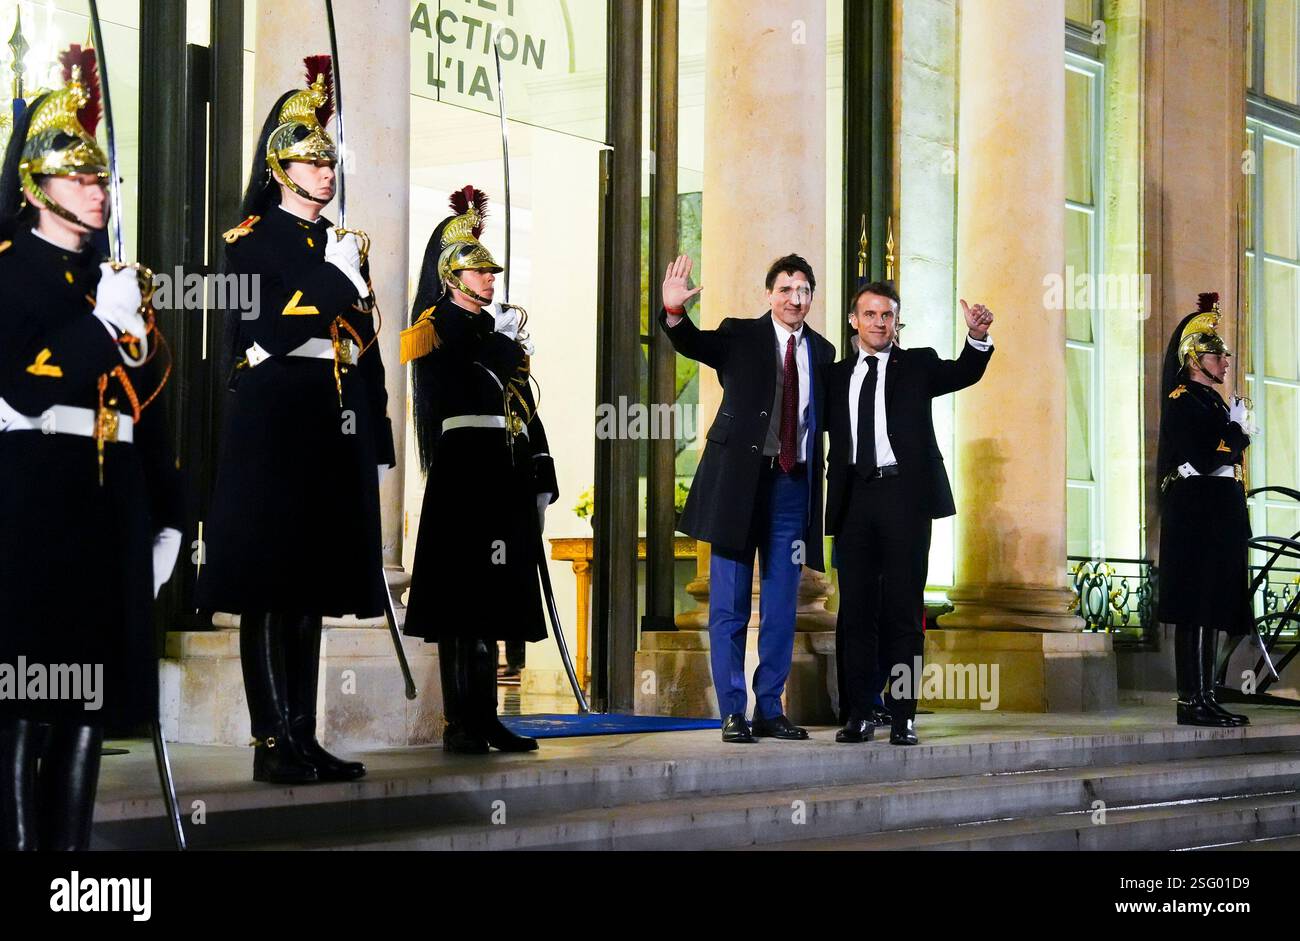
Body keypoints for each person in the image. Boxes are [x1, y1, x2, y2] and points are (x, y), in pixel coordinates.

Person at [0, 48, 182, 849]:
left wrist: (173, 516)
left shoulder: (110, 279)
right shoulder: (10, 272)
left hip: (109, 502)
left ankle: (66, 862)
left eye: (103, 179)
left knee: (87, 703)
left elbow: (148, 407)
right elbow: (20, 388)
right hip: (34, 498)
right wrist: (99, 328)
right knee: (24, 704)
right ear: (35, 186)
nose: (98, 191)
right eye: (80, 179)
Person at [195, 57, 395, 783]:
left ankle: (304, 734)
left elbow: (363, 348)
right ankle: (269, 742)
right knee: (270, 587)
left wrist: (374, 435)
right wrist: (335, 276)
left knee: (310, 587)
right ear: (280, 168)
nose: (325, 171)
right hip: (274, 422)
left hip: (328, 422)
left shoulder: (336, 243)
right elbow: (268, 334)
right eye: (311, 161)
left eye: (328, 159)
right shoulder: (248, 240)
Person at [401, 185, 556, 754]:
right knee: (461, 601)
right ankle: (459, 721)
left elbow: (523, 406)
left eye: (492, 271)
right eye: (478, 271)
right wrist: (501, 348)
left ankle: (486, 716)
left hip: (503, 469)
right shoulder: (432, 327)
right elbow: (449, 382)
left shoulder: (495, 333)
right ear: (451, 275)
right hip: (463, 471)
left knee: (493, 599)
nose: (490, 279)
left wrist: (541, 468)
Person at [659, 253, 836, 743]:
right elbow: (692, 343)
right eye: (785, 290)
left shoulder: (821, 351)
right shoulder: (740, 335)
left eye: (803, 291)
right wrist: (674, 313)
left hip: (791, 488)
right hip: (736, 486)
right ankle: (733, 711)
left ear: (811, 298)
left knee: (782, 604)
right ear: (769, 294)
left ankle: (771, 709)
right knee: (730, 604)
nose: (794, 299)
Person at [823, 281, 992, 745]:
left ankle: (903, 715)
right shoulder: (835, 376)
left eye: (887, 315)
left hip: (905, 499)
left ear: (896, 322)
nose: (879, 323)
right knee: (854, 613)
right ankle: (858, 712)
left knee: (902, 612)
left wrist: (977, 337)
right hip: (855, 500)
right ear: (854, 321)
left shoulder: (917, 364)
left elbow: (964, 372)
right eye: (871, 314)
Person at [1156, 293, 1252, 728]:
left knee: (1212, 604)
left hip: (1217, 511)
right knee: (1195, 606)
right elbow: (1210, 454)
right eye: (1218, 355)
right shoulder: (1184, 399)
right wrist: (1237, 432)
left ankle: (1207, 694)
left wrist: (1233, 432)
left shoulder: (1209, 400)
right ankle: (1190, 699)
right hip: (1197, 513)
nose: (1225, 362)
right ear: (1195, 357)